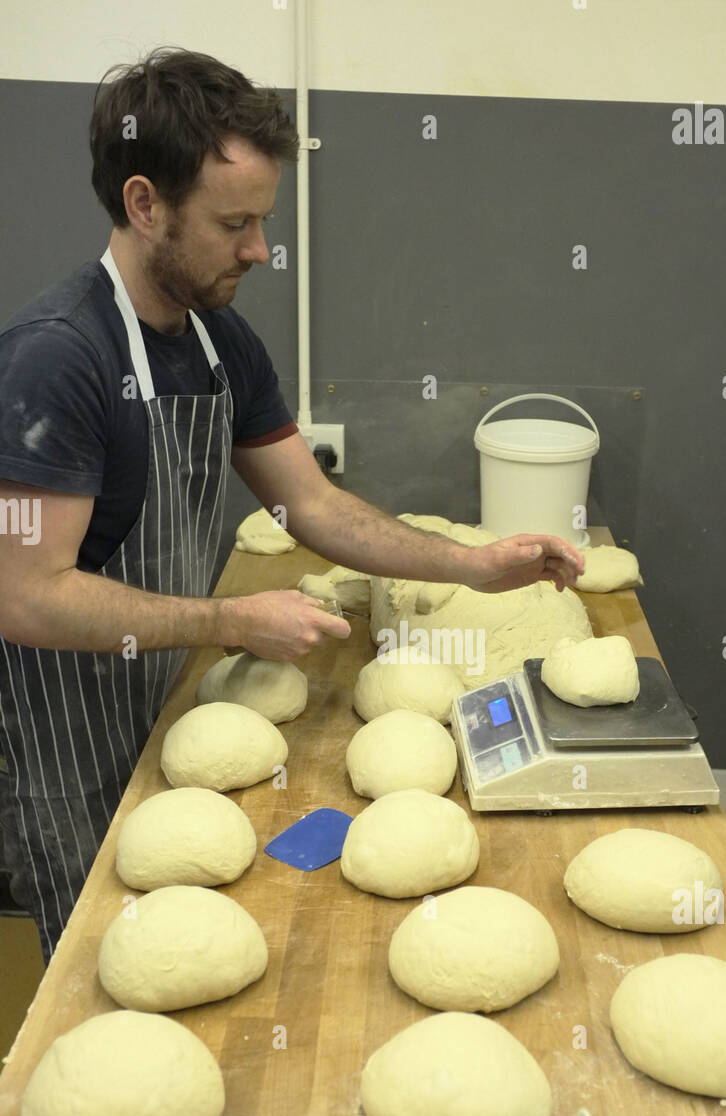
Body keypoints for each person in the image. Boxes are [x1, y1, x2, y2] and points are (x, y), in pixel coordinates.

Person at [0, 47, 583, 964]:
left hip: (170, 706)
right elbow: (27, 594)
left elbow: (312, 505)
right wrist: (231, 616)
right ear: (145, 203)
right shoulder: (53, 360)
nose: (260, 250)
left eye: (263, 221)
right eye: (234, 222)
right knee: (108, 973)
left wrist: (475, 563)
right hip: (70, 741)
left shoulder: (217, 337)